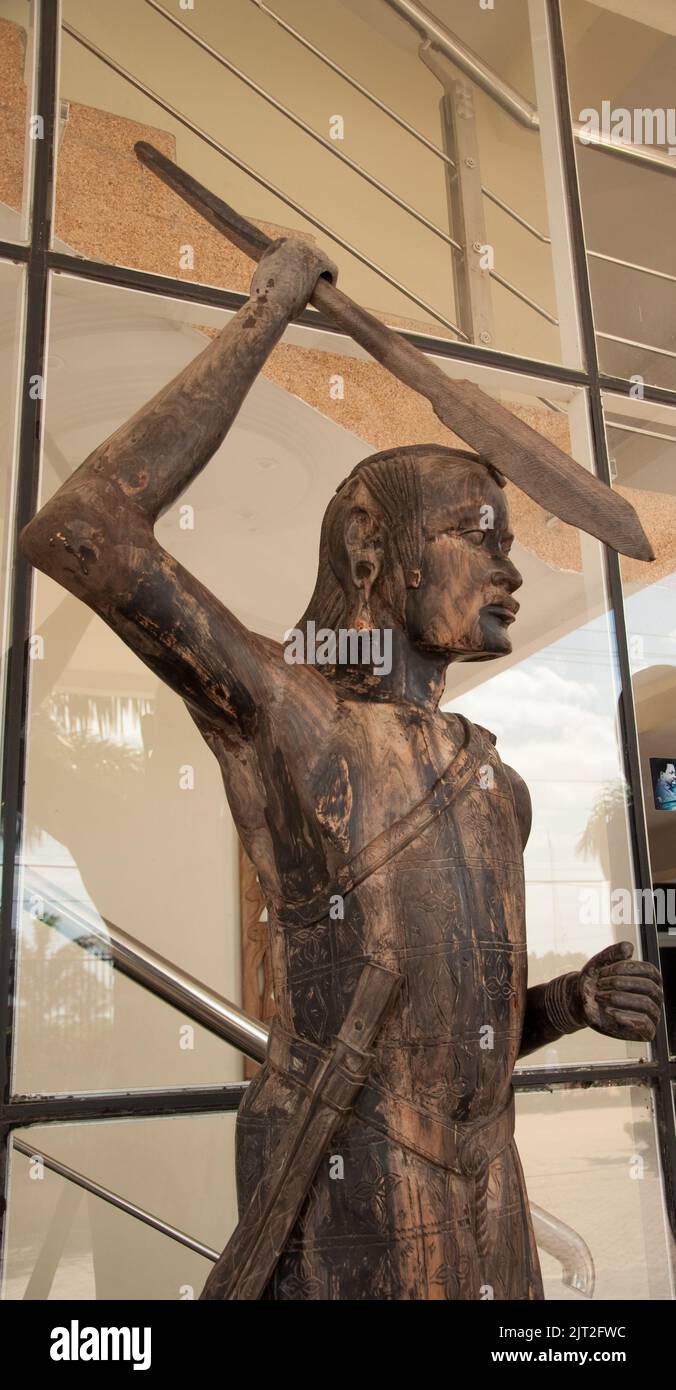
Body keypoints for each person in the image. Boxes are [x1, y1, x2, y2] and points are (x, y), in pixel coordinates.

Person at [21, 237, 663, 1300]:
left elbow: (456, 1045)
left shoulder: (497, 784)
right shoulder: (292, 712)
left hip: (487, 1206)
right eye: (479, 537)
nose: (510, 571)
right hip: (351, 1196)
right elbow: (85, 527)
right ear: (372, 547)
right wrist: (263, 316)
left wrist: (565, 1000)